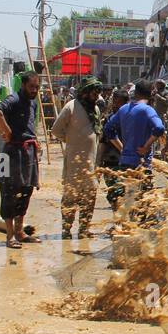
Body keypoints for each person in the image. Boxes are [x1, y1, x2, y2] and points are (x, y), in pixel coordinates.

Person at [0, 70, 43, 249]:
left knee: (26, 191)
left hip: (28, 153)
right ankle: (9, 236)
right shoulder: (13, 99)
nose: (34, 90)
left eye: (37, 87)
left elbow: (30, 127)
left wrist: (37, 143)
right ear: (23, 85)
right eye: (31, 87)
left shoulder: (33, 104)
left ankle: (20, 232)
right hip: (9, 154)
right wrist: (7, 132)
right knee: (8, 192)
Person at [50, 78, 104, 239]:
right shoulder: (71, 107)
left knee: (89, 198)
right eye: (94, 93)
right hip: (73, 162)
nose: (96, 96)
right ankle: (66, 230)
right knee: (70, 197)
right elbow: (56, 130)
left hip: (91, 163)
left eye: (98, 93)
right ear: (85, 92)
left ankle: (84, 229)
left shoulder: (95, 109)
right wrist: (71, 141)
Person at [103, 78, 165, 172]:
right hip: (141, 163)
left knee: (125, 185)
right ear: (150, 94)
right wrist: (146, 147)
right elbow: (159, 128)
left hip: (124, 162)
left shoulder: (123, 109)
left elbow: (108, 129)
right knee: (143, 186)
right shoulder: (147, 110)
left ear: (135, 92)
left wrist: (121, 147)